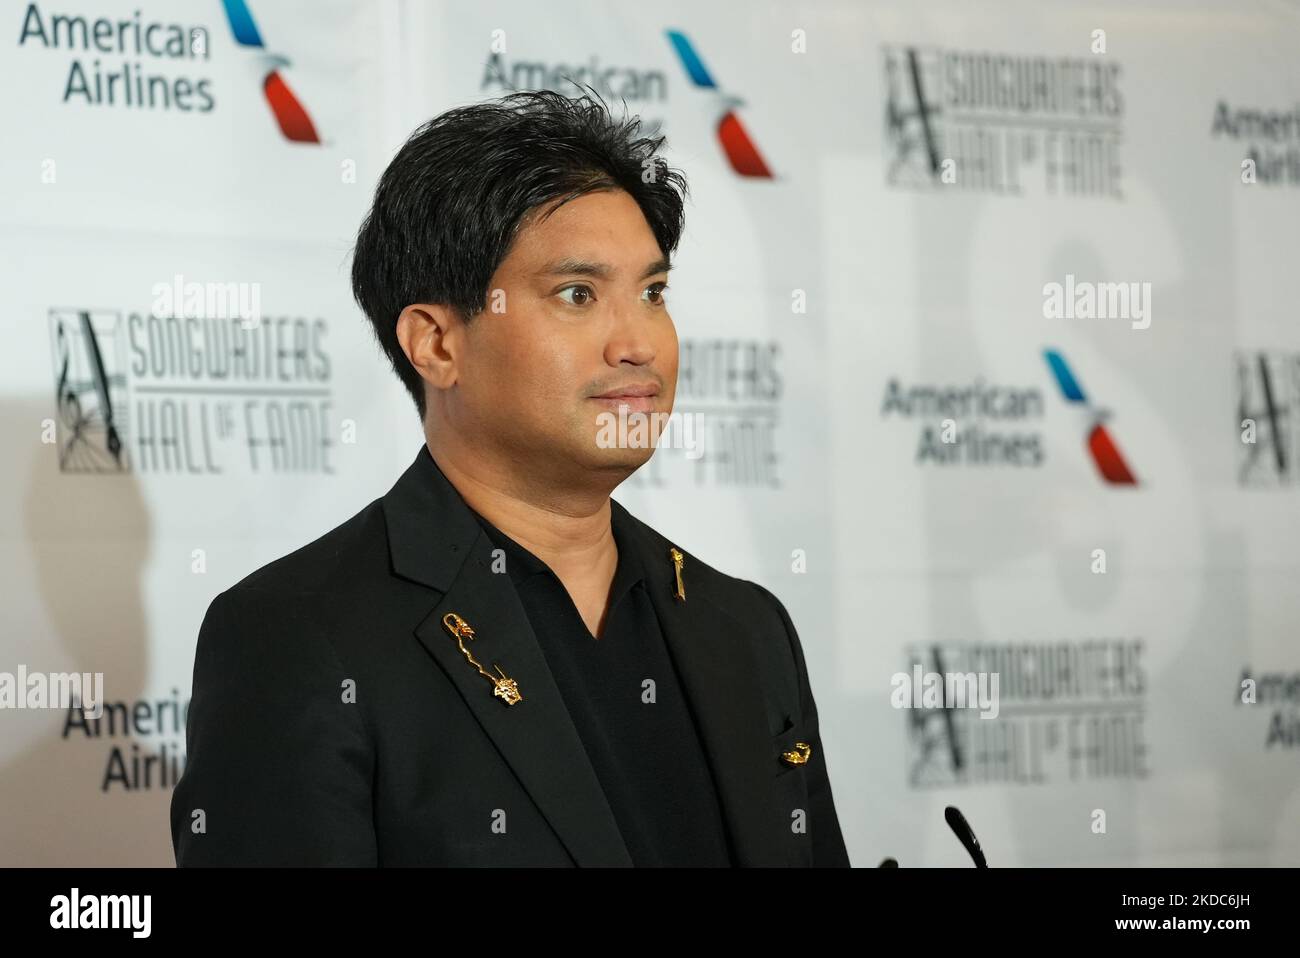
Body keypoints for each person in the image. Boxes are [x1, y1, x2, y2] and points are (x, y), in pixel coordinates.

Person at [170, 88, 850, 867]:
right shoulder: (298, 637)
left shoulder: (746, 628)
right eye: (577, 294)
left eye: (653, 293)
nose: (639, 345)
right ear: (436, 344)